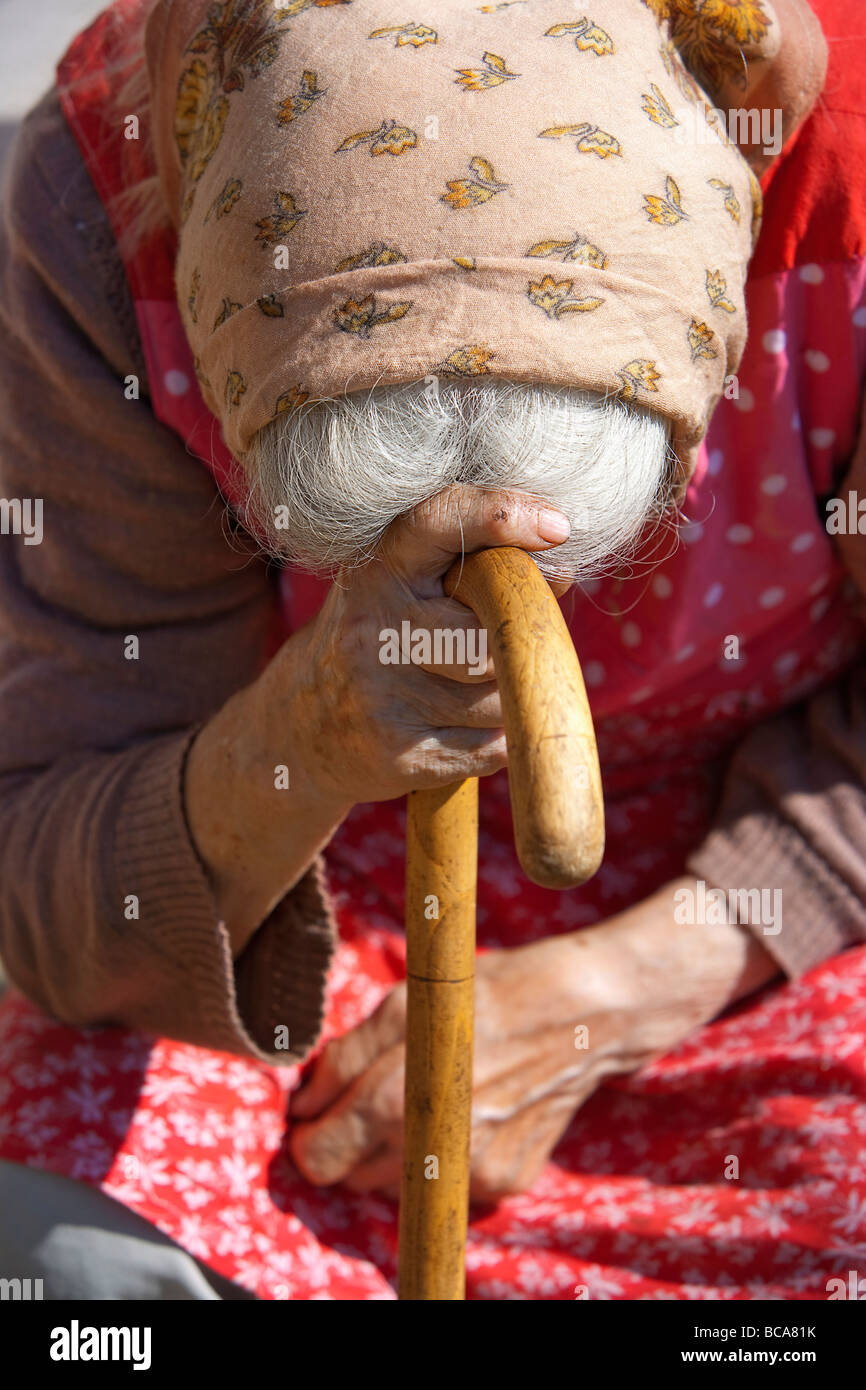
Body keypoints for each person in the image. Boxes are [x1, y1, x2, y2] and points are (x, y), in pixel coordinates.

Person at [0, 0, 865, 1300]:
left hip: (780, 863)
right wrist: (304, 733)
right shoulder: (97, 197)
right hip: (306, 864)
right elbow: (57, 885)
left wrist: (629, 981)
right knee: (62, 1249)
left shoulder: (842, 195)